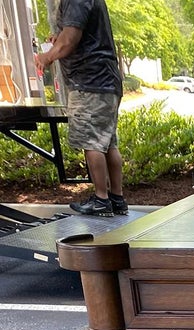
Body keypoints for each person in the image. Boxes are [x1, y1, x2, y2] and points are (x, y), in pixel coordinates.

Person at [34, 0, 126, 218]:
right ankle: (116, 199)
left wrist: (47, 56)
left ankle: (101, 200)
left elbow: (70, 39)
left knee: (92, 142)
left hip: (89, 82)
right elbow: (74, 35)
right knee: (108, 142)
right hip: (105, 81)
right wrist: (59, 41)